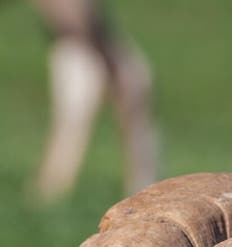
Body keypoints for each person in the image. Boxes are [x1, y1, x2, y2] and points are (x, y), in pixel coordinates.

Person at [31, 0, 157, 199]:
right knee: (73, 121)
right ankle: (49, 194)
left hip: (100, 44)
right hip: (81, 46)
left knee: (134, 94)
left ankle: (144, 190)